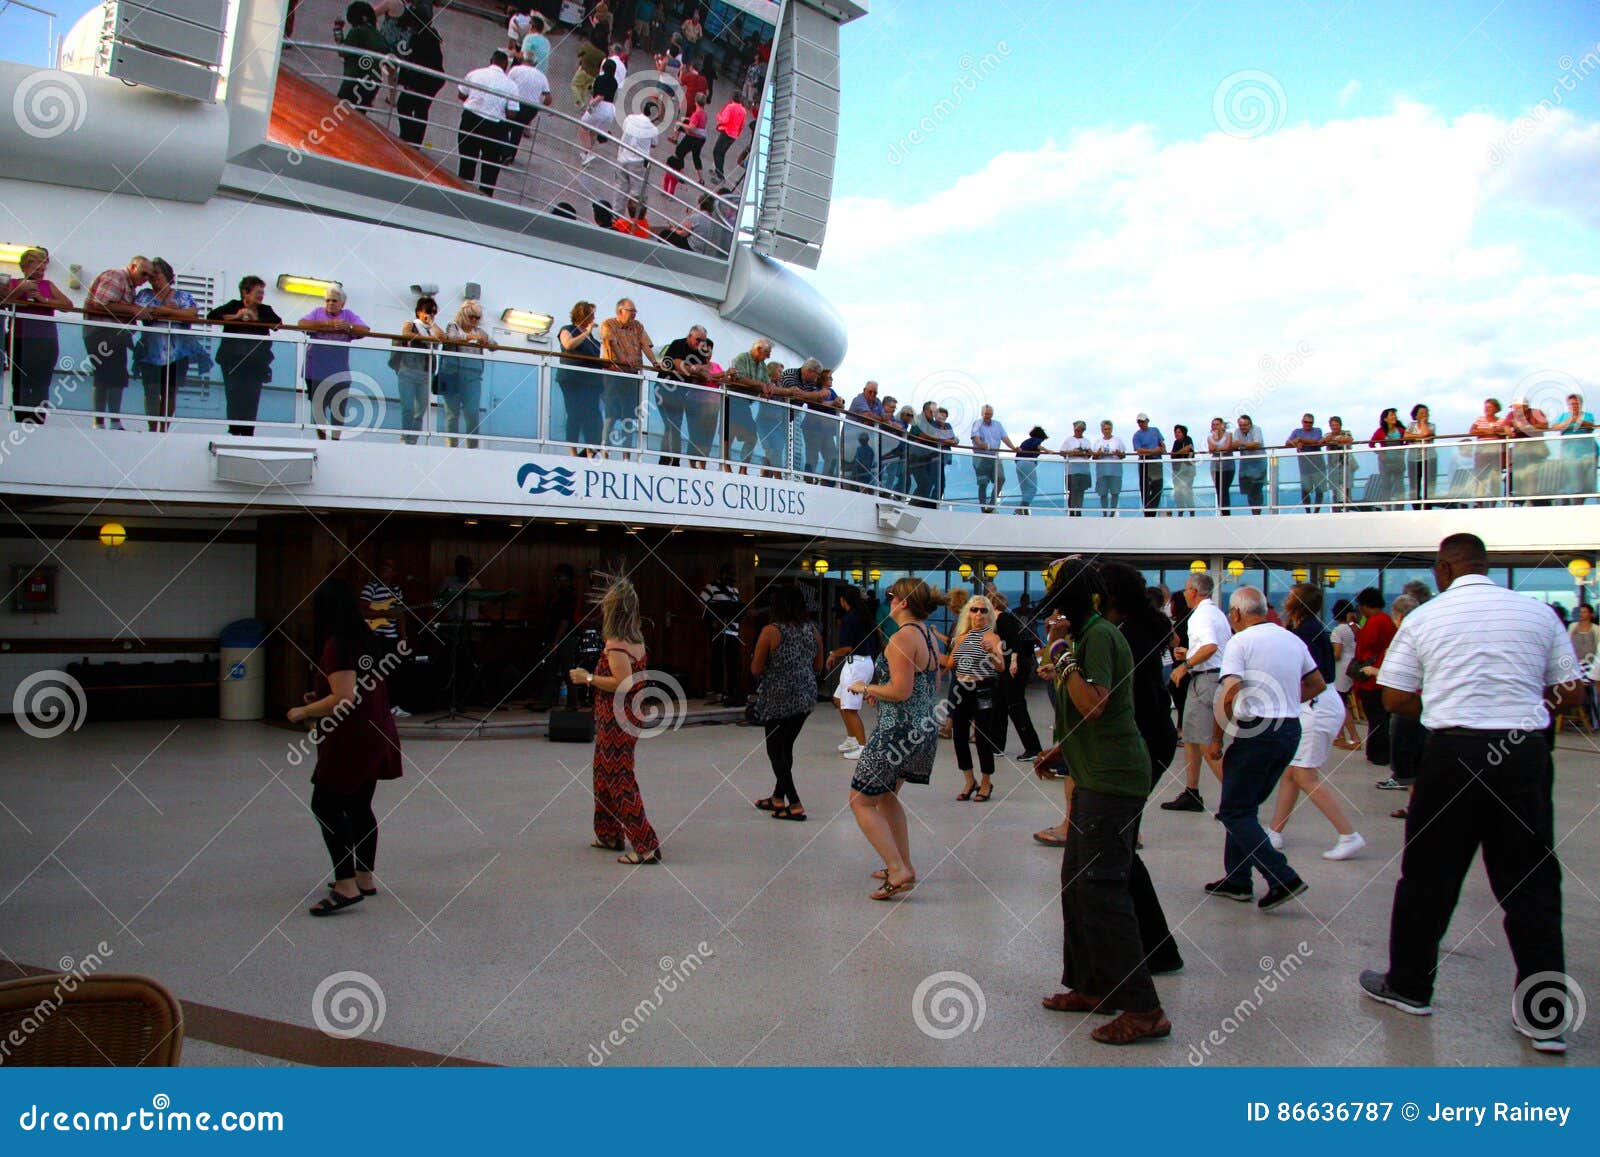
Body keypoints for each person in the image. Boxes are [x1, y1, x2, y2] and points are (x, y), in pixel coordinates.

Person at [1361, 534, 1584, 1053]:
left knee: (1428, 878)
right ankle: (1544, 1018)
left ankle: (1411, 987)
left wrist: (1445, 699)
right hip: (1524, 754)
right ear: (1489, 565)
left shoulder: (1424, 618)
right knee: (1531, 884)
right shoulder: (1537, 615)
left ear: (1443, 569)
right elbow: (1570, 693)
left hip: (1453, 754)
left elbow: (1393, 697)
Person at [1034, 557, 1172, 1045]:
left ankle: (1144, 1009)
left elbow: (1094, 703)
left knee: (1102, 887)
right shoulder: (1092, 635)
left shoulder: (1094, 637)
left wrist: (1060, 653)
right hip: (1098, 773)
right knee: (1078, 880)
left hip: (1114, 781)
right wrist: (1060, 749)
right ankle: (1093, 985)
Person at [1203, 586, 1324, 909]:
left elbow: (1229, 693)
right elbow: (1317, 684)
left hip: (1256, 734)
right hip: (1288, 729)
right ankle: (1238, 879)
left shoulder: (1240, 642)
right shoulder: (1291, 638)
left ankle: (1282, 876)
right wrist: (1282, 702)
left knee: (1233, 811)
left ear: (1237, 614)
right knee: (1245, 807)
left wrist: (1217, 736)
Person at [289, 578, 403, 915]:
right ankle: (364, 877)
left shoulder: (337, 643)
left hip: (352, 737)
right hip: (377, 730)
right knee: (358, 805)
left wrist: (304, 711)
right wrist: (320, 697)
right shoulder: (366, 637)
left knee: (324, 805)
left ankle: (345, 885)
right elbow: (357, 687)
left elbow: (344, 696)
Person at [1095, 562, 1185, 974]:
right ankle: (1153, 945)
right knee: (1120, 846)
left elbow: (1107, 699)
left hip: (1141, 745)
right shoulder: (1140, 628)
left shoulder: (1126, 635)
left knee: (1117, 847)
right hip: (1151, 739)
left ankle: (1152, 946)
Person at [846, 577, 942, 901]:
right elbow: (928, 686)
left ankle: (897, 867)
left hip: (895, 733)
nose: (887, 601)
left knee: (860, 801)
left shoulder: (901, 638)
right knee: (886, 797)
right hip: (923, 730)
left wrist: (867, 689)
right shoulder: (929, 636)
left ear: (901, 602)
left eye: (890, 596)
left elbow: (901, 690)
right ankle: (904, 864)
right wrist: (885, 695)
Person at [1265, 584, 1364, 859]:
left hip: (1316, 706)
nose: (1284, 599)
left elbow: (1307, 678)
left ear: (1297, 602)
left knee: (1304, 775)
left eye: (1289, 596)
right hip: (1320, 703)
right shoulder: (1310, 628)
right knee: (1291, 772)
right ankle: (1275, 831)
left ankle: (1348, 834)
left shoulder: (1304, 633)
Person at [570, 576, 662, 865]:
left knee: (618, 777)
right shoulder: (636, 638)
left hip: (617, 719)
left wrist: (586, 677)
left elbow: (620, 682)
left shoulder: (616, 644)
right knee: (603, 772)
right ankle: (609, 833)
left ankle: (645, 845)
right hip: (627, 715)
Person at [750, 584, 823, 821]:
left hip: (778, 698)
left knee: (775, 750)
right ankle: (777, 797)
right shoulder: (813, 630)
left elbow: (756, 668)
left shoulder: (771, 631)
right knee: (786, 746)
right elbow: (818, 667)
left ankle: (795, 803)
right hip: (805, 697)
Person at [1160, 572, 1230, 811]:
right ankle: (1192, 791)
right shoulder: (1214, 612)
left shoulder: (1201, 615)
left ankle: (1234, 800)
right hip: (1206, 677)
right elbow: (1210, 648)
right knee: (1191, 736)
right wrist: (1188, 654)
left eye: (1186, 588)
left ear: (1193, 592)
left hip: (1206, 680)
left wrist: (1185, 666)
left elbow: (1210, 646)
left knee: (1203, 740)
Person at [943, 594, 1006, 802]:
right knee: (959, 735)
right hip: (961, 688)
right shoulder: (961, 637)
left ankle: (986, 781)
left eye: (983, 610)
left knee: (982, 737)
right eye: (974, 609)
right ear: (967, 613)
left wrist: (992, 655)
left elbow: (1000, 667)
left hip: (983, 689)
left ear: (989, 615)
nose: (978, 614)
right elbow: (951, 663)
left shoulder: (992, 638)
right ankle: (969, 780)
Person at [1, 246, 70, 424]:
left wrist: (43, 300)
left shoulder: (48, 286)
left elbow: (67, 305)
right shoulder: (14, 284)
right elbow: (5, 302)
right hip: (20, 339)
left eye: (42, 269)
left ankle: (38, 421)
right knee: (19, 382)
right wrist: (21, 289)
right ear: (24, 267)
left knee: (42, 383)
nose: (40, 273)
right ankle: (20, 419)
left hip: (45, 340)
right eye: (36, 269)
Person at [132, 258, 202, 433]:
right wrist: (176, 312)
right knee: (151, 390)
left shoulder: (182, 296)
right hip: (150, 351)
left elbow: (193, 314)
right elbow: (141, 312)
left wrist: (166, 311)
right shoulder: (145, 295)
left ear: (168, 275)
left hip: (177, 352)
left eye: (157, 274)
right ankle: (152, 428)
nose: (153, 278)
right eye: (150, 275)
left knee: (170, 391)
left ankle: (164, 429)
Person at [209, 276, 283, 437]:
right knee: (234, 395)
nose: (261, 295)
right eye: (258, 292)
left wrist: (255, 319)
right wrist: (237, 317)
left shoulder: (265, 310)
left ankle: (248, 433)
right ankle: (235, 432)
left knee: (252, 396)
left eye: (262, 292)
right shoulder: (233, 306)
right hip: (232, 360)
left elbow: (278, 324)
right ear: (245, 292)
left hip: (256, 362)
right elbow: (211, 316)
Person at [84, 255, 153, 428]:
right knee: (105, 376)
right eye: (143, 273)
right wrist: (134, 310)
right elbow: (100, 303)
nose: (145, 280)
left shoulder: (129, 285)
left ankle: (112, 421)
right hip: (102, 332)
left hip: (115, 334)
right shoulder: (117, 276)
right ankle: (101, 422)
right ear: (132, 267)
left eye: (148, 276)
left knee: (117, 377)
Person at [299, 287, 369, 440]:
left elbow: (365, 330)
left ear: (342, 303)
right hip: (316, 367)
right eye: (328, 300)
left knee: (339, 405)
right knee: (318, 407)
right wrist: (328, 325)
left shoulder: (348, 315)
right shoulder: (317, 312)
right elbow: (302, 323)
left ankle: (335, 441)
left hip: (339, 370)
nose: (330, 303)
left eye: (334, 300)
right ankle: (322, 440)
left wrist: (348, 327)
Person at [986, 587, 1043, 758]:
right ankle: (996, 745)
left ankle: (1033, 747)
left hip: (1014, 666)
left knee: (1016, 706)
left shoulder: (1004, 619)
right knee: (1000, 706)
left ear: (993, 603)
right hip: (1005, 667)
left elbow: (1015, 642)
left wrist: (1013, 662)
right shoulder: (995, 621)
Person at [598, 298, 659, 453]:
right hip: (614, 374)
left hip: (632, 376)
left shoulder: (637, 326)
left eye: (635, 312)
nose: (634, 315)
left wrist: (654, 362)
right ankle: (605, 451)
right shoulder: (608, 324)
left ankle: (626, 454)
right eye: (632, 311)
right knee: (611, 415)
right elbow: (612, 343)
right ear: (620, 311)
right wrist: (624, 360)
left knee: (630, 417)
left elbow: (645, 344)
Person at [457, 50, 520, 197]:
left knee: (466, 161)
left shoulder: (475, 73)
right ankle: (485, 198)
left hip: (470, 120)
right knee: (490, 168)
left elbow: (461, 94)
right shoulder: (511, 85)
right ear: (506, 66)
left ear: (491, 60)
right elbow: (512, 113)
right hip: (494, 127)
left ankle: (460, 194)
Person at [828, 585, 879, 760]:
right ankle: (852, 739)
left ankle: (862, 746)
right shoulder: (864, 616)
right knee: (838, 699)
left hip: (856, 664)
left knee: (850, 708)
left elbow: (847, 647)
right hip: (861, 663)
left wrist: (833, 654)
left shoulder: (849, 619)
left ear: (843, 601)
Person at [390, 296, 445, 444]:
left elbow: (442, 337)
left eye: (434, 312)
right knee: (407, 407)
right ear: (419, 311)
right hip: (408, 370)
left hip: (425, 373)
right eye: (428, 311)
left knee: (420, 409)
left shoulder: (432, 329)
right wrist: (426, 338)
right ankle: (405, 437)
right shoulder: (411, 324)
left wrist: (432, 324)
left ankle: (412, 440)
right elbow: (406, 334)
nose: (431, 314)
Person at [1351, 586, 1395, 765]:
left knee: (1376, 718)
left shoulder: (1376, 621)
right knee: (1380, 718)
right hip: (1380, 675)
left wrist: (1354, 625)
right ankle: (1378, 751)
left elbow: (1364, 641)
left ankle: (1379, 753)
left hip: (1372, 678)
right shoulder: (1386, 620)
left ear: (1365, 605)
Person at [553, 301, 605, 453]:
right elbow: (568, 344)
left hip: (592, 383)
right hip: (572, 379)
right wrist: (586, 333)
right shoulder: (567, 330)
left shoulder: (593, 340)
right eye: (592, 314)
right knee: (574, 413)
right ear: (583, 315)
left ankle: (590, 452)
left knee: (593, 416)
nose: (594, 317)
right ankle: (573, 453)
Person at [657, 324, 711, 467]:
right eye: (698, 340)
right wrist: (696, 369)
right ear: (690, 336)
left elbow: (706, 374)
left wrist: (695, 369)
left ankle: (672, 461)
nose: (700, 344)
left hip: (680, 393)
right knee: (671, 425)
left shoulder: (699, 352)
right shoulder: (678, 344)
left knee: (675, 426)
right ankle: (668, 461)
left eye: (702, 341)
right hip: (665, 389)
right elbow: (680, 367)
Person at [441, 299, 491, 447]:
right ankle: (451, 445)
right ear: (464, 315)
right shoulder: (453, 326)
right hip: (451, 373)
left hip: (473, 374)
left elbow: (494, 344)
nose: (474, 320)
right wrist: (469, 337)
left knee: (472, 412)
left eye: (477, 318)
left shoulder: (480, 332)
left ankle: (472, 446)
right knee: (452, 413)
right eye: (471, 317)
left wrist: (486, 342)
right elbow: (451, 337)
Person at [394, 12, 445, 146]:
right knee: (418, 108)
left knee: (406, 105)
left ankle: (410, 136)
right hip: (431, 79)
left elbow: (415, 61)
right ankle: (412, 138)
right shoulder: (429, 35)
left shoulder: (421, 38)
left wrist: (407, 82)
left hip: (428, 80)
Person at [700, 563, 744, 706]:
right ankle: (717, 691)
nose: (733, 577)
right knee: (717, 660)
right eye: (731, 574)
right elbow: (701, 604)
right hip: (718, 630)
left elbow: (737, 610)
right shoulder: (711, 587)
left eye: (735, 575)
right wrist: (712, 620)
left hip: (733, 631)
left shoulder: (735, 590)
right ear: (723, 574)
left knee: (733, 661)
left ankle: (732, 690)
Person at [616, 98, 663, 218]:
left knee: (621, 189)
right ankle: (636, 221)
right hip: (638, 162)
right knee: (637, 193)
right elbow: (654, 144)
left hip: (622, 157)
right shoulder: (652, 129)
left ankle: (616, 217)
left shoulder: (629, 118)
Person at [333, 3, 386, 108]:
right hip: (373, 83)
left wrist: (337, 29)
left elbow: (342, 51)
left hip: (355, 80)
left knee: (340, 110)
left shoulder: (357, 31)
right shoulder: (379, 35)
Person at [1550, 392, 1596, 503]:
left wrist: (1579, 420)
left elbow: (1590, 426)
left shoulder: (1588, 415)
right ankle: (1573, 506)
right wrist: (1570, 420)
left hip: (1587, 454)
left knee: (1587, 483)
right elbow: (1554, 427)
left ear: (1581, 404)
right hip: (1570, 455)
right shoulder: (1564, 416)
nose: (1574, 406)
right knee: (1572, 482)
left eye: (1576, 403)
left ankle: (1580, 504)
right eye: (1572, 404)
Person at [505, 50, 553, 156]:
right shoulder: (541, 76)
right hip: (530, 109)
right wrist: (539, 107)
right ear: (535, 63)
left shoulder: (515, 70)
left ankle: (501, 151)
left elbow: (507, 85)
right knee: (517, 131)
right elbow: (548, 99)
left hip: (515, 104)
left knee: (504, 127)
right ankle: (510, 155)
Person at [970, 404, 1015, 513]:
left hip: (994, 456)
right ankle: (983, 508)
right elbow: (976, 438)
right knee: (983, 483)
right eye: (986, 414)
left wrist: (1014, 448)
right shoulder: (977, 424)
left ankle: (992, 503)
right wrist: (981, 444)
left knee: (1001, 478)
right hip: (981, 457)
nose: (988, 416)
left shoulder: (997, 424)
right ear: (982, 414)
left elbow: (1005, 438)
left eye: (990, 414)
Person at [1329, 600, 1361, 748]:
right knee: (1342, 702)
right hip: (1353, 666)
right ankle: (1340, 735)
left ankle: (1354, 737)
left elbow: (1337, 654)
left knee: (1340, 703)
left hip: (1340, 669)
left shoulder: (1337, 631)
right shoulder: (1356, 628)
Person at [1285, 413, 1325, 512]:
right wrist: (1297, 442)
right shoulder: (1296, 431)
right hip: (1304, 466)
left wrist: (1300, 440)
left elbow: (1316, 441)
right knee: (1305, 491)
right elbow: (1287, 443)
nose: (1308, 424)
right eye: (1306, 422)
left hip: (1318, 465)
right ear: (1302, 422)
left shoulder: (1317, 430)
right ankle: (1308, 511)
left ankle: (1316, 511)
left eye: (1310, 422)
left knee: (1319, 490)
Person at [1569, 603, 1599, 728]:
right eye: (1580, 612)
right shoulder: (1572, 627)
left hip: (1591, 664)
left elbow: (1597, 648)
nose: (1582, 614)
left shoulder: (1596, 629)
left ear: (1590, 614)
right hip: (1574, 663)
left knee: (1591, 687)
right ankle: (1574, 715)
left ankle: (1594, 720)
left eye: (1585, 612)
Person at [1369, 407, 1406, 504]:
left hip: (1399, 462)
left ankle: (1400, 508)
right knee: (1386, 485)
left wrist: (1403, 449)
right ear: (1385, 419)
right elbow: (1371, 444)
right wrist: (1380, 452)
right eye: (1391, 415)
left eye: (1395, 415)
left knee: (1399, 486)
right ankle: (1387, 507)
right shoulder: (1380, 431)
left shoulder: (1401, 430)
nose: (1394, 417)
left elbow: (1408, 441)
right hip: (1385, 463)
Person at [1131, 413, 1165, 516]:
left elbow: (1162, 445)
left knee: (1157, 488)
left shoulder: (1155, 430)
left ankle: (1151, 511)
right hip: (1145, 461)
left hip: (1156, 462)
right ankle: (1147, 512)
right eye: (1139, 422)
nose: (1141, 423)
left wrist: (1160, 449)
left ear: (1147, 421)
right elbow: (1139, 450)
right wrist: (1153, 451)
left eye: (1142, 421)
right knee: (1145, 488)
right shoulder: (1137, 435)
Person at [1090, 419, 1126, 514]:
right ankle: (1105, 513)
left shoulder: (1118, 440)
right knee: (1103, 493)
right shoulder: (1098, 442)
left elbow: (1123, 455)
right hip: (1102, 472)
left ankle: (1112, 512)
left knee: (1115, 492)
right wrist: (1098, 454)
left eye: (1109, 429)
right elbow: (1094, 457)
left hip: (1115, 471)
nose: (1107, 431)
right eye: (1105, 429)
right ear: (1102, 430)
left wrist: (1118, 453)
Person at [1233, 414, 1266, 513]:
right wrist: (1244, 445)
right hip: (1246, 466)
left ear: (1250, 424)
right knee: (1248, 491)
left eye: (1245, 425)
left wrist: (1242, 444)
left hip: (1258, 464)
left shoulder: (1256, 429)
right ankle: (1253, 511)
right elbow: (1234, 445)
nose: (1242, 427)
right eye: (1240, 425)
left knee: (1257, 489)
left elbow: (1256, 444)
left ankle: (1257, 512)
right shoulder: (1237, 432)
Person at [711, 96, 747, 183]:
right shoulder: (743, 111)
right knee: (722, 153)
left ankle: (720, 175)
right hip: (734, 135)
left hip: (726, 132)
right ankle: (718, 171)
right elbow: (742, 125)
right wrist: (737, 133)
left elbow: (725, 120)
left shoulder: (731, 107)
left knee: (716, 151)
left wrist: (719, 117)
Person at [1322, 416, 1354, 510]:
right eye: (1332, 425)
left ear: (1340, 425)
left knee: (1347, 488)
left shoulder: (1346, 433)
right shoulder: (1327, 434)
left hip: (1345, 465)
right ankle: (1336, 510)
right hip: (1332, 466)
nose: (1334, 427)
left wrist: (1334, 439)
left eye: (1336, 425)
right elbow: (1321, 442)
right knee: (1334, 490)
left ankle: (1347, 509)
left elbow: (1349, 440)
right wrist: (1331, 439)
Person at [1014, 426, 1046, 514]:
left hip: (1018, 464)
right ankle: (1021, 508)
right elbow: (1037, 445)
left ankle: (1025, 511)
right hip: (1028, 463)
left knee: (1025, 489)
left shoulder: (1025, 442)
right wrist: (1048, 451)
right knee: (1032, 488)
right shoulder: (1036, 439)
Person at [1206, 417, 1234, 515]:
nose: (1215, 426)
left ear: (1222, 425)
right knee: (1218, 489)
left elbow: (1227, 448)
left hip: (1228, 466)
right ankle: (1222, 511)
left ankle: (1226, 513)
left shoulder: (1229, 435)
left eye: (1217, 424)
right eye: (1213, 425)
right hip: (1215, 467)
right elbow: (1212, 448)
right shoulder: (1210, 437)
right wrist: (1216, 437)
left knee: (1224, 488)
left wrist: (1217, 449)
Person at [1170, 423, 1195, 514]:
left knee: (1187, 490)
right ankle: (1180, 510)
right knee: (1178, 492)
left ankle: (1191, 511)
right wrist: (1176, 454)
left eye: (1179, 432)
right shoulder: (1176, 443)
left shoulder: (1188, 439)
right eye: (1175, 432)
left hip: (1187, 470)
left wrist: (1176, 453)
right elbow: (1172, 455)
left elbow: (1188, 449)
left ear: (1183, 433)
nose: (1176, 434)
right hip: (1177, 471)